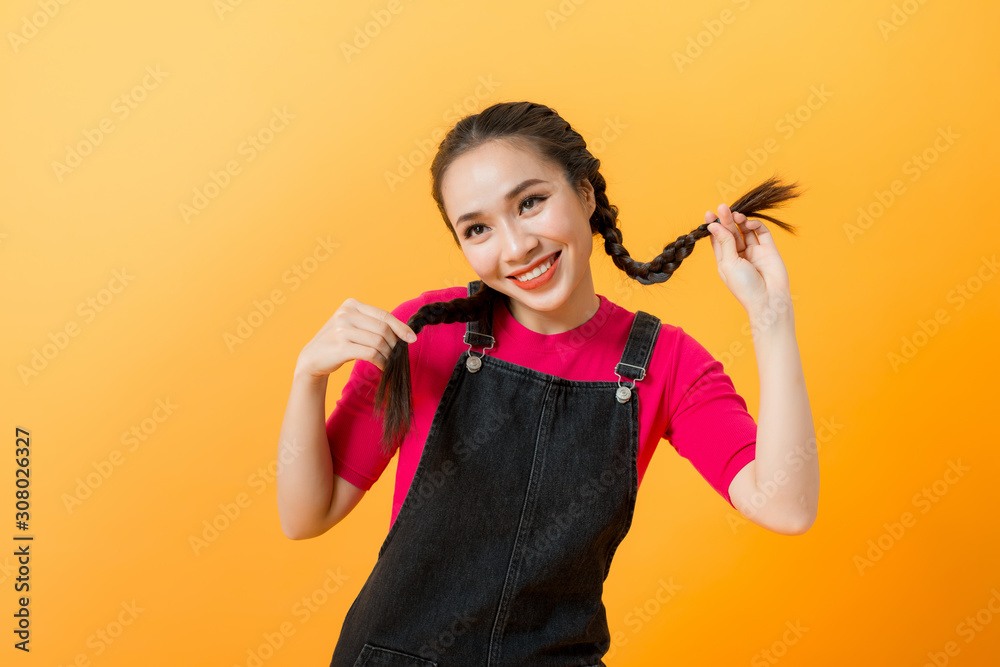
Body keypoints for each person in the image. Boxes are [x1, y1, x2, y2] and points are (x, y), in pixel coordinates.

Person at [276, 101, 819, 666]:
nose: (516, 247)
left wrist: (771, 316)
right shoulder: (427, 333)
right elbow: (306, 514)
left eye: (531, 202)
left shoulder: (668, 362)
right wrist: (306, 378)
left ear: (585, 194)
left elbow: (786, 506)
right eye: (479, 228)